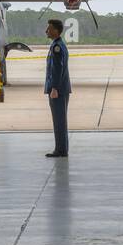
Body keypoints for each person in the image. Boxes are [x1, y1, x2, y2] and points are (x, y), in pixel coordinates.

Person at [43, 19, 71, 157]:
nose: (46, 31)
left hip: (58, 90)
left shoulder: (57, 47)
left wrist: (54, 88)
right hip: (61, 88)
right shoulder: (57, 45)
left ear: (56, 31)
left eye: (49, 28)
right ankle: (62, 148)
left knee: (59, 121)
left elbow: (57, 69)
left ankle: (60, 150)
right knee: (60, 120)